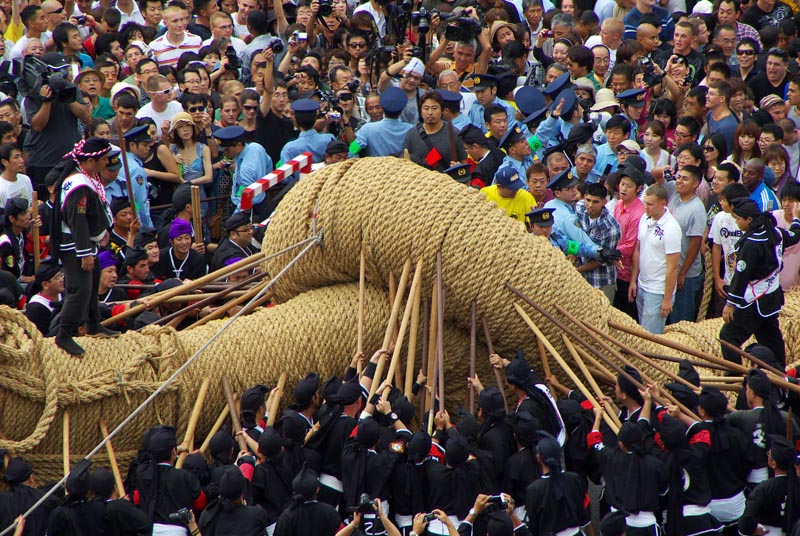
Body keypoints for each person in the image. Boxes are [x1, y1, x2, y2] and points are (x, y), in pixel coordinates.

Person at [51, 137, 119, 355]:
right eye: (105, 158)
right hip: (76, 245)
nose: (108, 162)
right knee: (80, 289)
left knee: (92, 284)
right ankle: (64, 333)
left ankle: (92, 322)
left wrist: (102, 232)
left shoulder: (91, 176)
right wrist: (84, 252)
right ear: (93, 160)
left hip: (90, 242)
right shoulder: (79, 184)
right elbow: (77, 220)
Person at [720, 197, 800, 368]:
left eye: (739, 219)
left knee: (728, 337)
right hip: (772, 297)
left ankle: (735, 374)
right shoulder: (775, 232)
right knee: (770, 337)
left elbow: (741, 276)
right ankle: (779, 369)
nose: (737, 223)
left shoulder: (752, 244)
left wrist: (731, 304)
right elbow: (794, 236)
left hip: (754, 300)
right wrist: (797, 219)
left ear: (749, 220)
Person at [24, 52, 92, 198]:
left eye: (63, 70)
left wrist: (66, 95)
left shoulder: (71, 88)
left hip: (70, 161)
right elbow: (37, 125)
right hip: (44, 163)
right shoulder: (34, 92)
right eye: (56, 71)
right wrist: (47, 100)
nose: (60, 74)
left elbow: (86, 116)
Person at [629, 183, 682, 334]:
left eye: (650, 204)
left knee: (650, 336)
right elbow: (638, 249)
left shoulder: (671, 228)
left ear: (663, 203)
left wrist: (667, 298)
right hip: (642, 283)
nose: (646, 207)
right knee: (641, 330)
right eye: (645, 203)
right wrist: (634, 280)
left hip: (658, 290)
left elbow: (673, 267)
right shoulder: (644, 219)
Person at [525, 431, 590, 536]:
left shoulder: (534, 489)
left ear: (539, 457)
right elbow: (584, 509)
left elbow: (533, 525)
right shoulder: (574, 479)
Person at [215, 125, 273, 218]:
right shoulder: (256, 147)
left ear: (238, 145)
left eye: (227, 149)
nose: (225, 153)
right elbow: (269, 165)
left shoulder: (245, 170)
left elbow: (245, 200)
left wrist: (235, 219)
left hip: (249, 210)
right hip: (261, 201)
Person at [404, 91, 467, 172]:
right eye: (426, 108)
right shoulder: (412, 134)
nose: (430, 112)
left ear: (442, 111)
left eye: (434, 108)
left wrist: (459, 167)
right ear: (421, 111)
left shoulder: (454, 133)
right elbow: (405, 163)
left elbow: (464, 162)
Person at [613, 166, 645, 319]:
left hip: (627, 272)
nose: (624, 188)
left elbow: (630, 246)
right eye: (622, 184)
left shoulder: (639, 214)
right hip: (615, 268)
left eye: (629, 186)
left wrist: (609, 250)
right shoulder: (619, 204)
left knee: (626, 315)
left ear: (638, 188)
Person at [280, 99, 335, 164]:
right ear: (315, 118)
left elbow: (285, 173)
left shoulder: (289, 148)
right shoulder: (329, 139)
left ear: (295, 119)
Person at [24, 261, 63, 335]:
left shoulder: (64, 295)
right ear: (45, 284)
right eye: (57, 277)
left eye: (61, 276)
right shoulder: (36, 308)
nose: (62, 280)